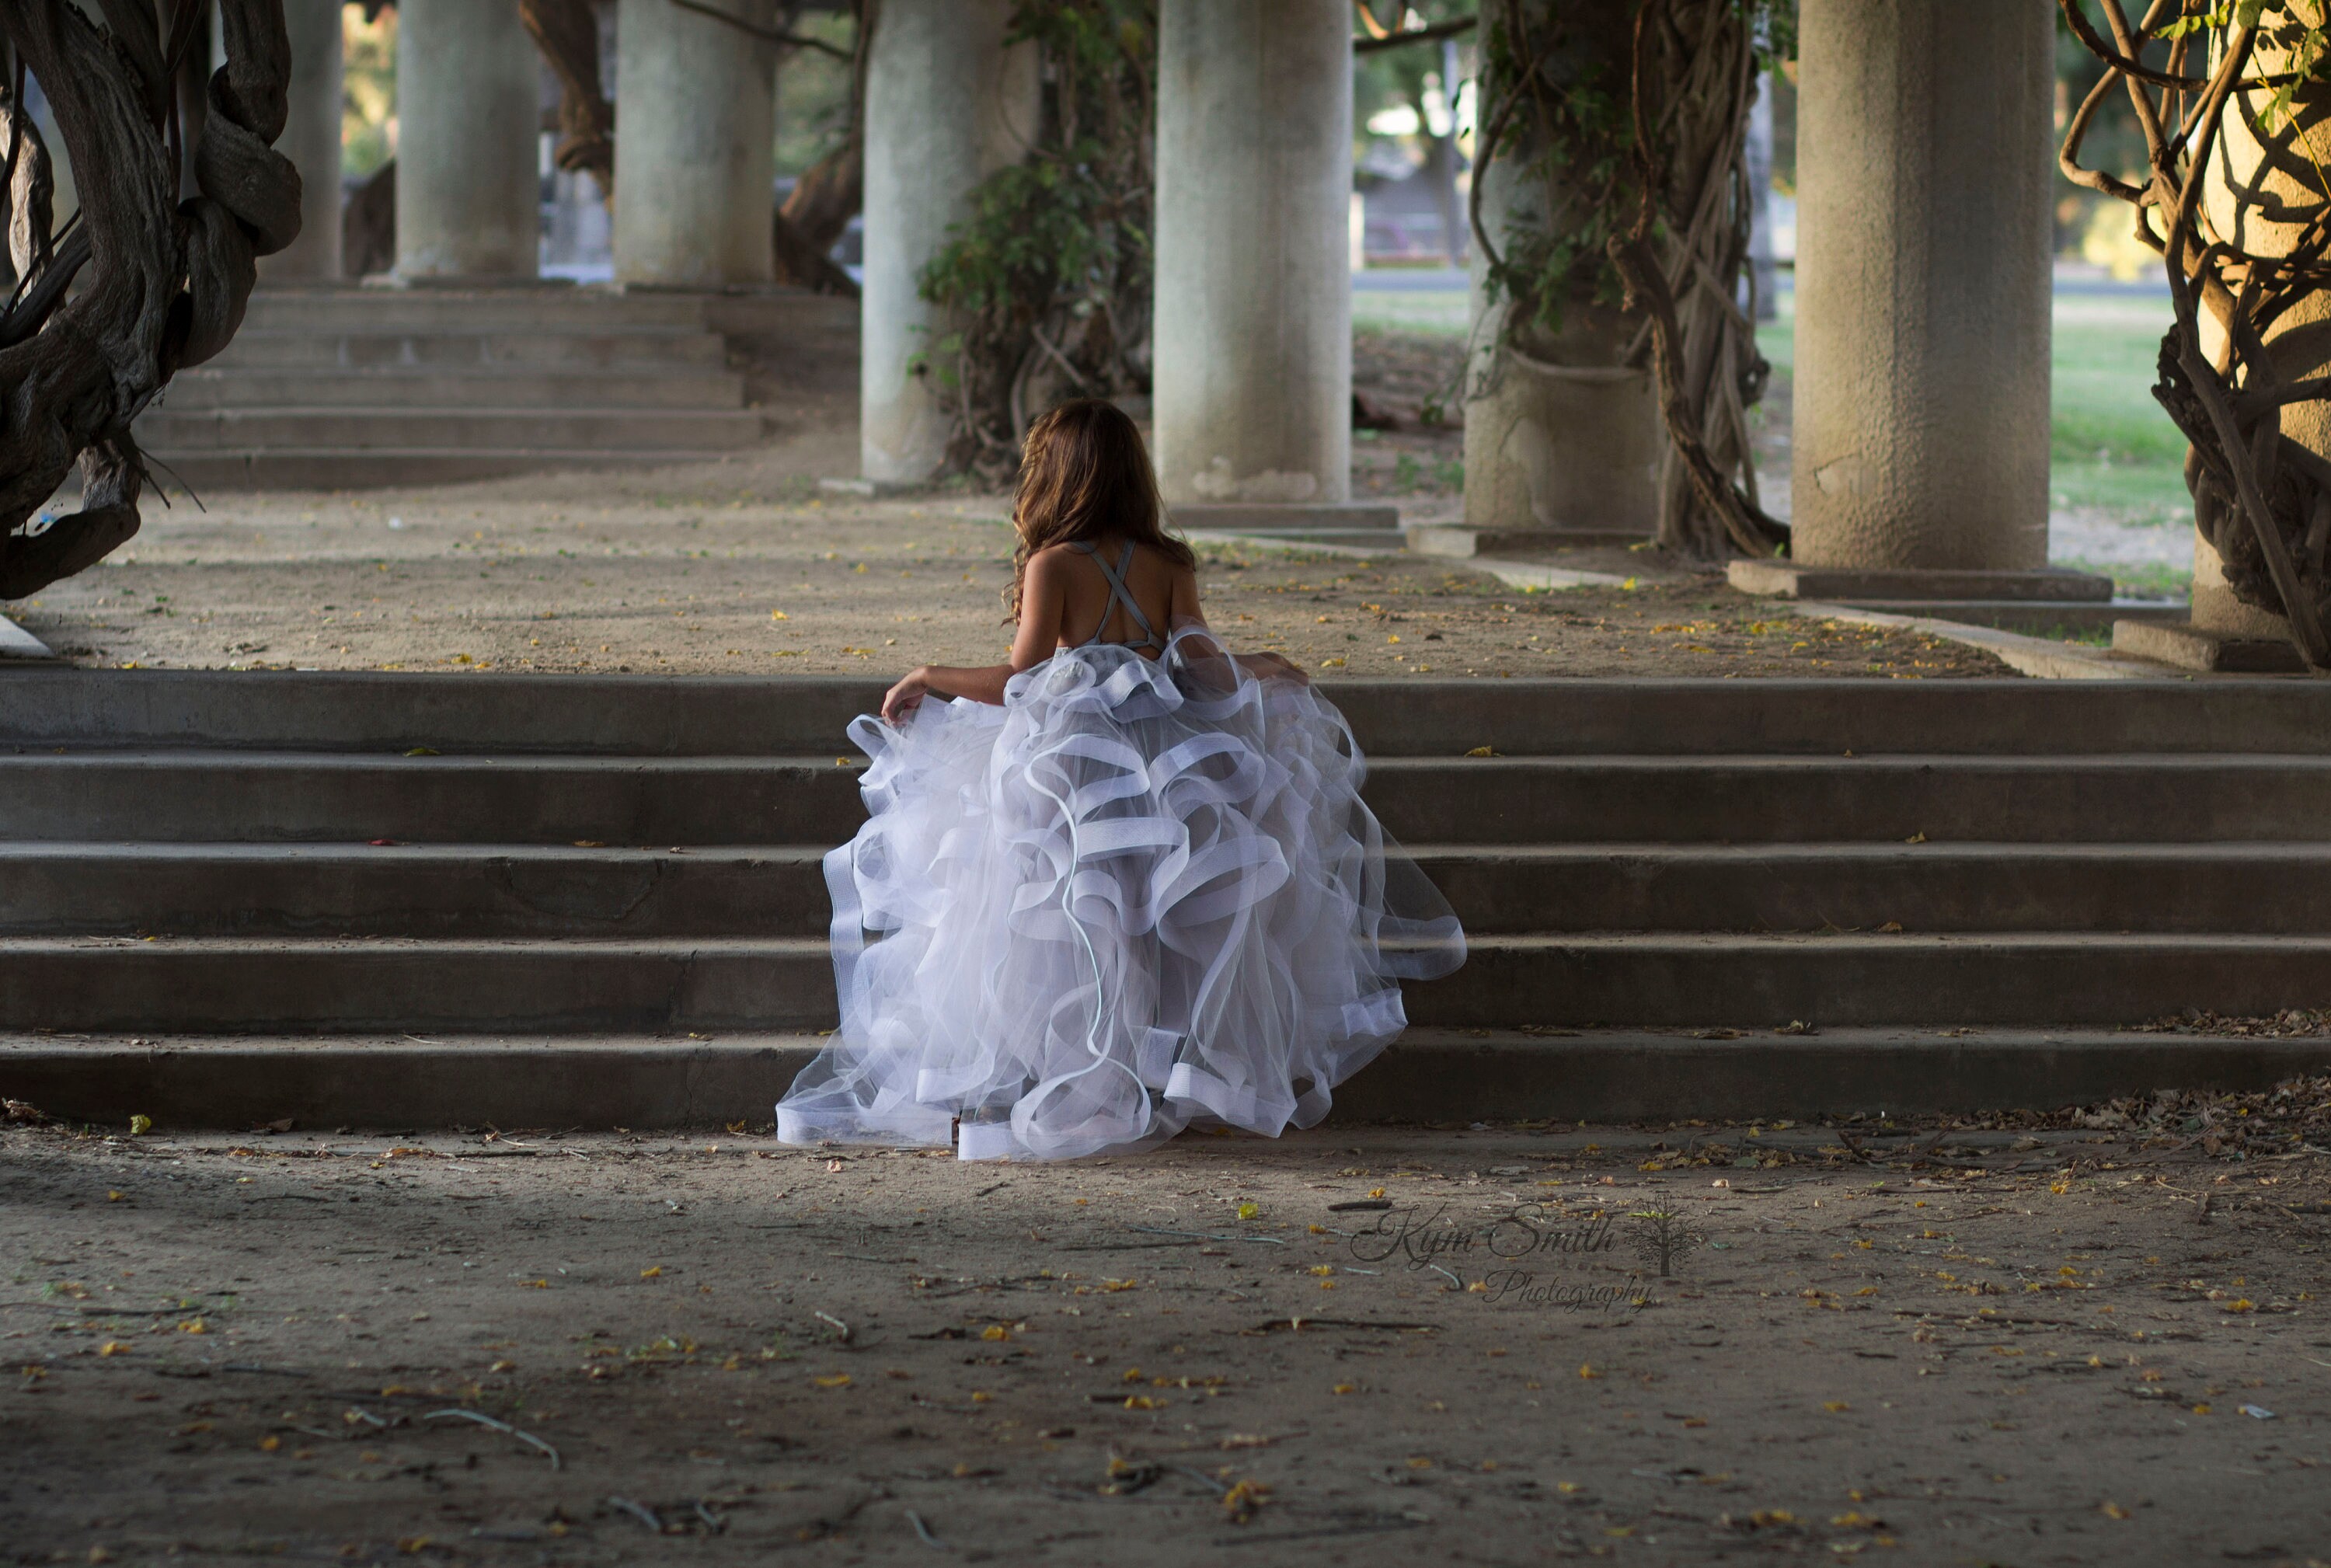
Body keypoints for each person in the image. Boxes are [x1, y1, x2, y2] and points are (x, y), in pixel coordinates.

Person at [775, 399, 1465, 1161]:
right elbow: (1201, 664)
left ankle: (1086, 1074)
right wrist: (1261, 666)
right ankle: (1159, 1075)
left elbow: (1020, 678)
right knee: (1153, 917)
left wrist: (929, 674)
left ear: (1055, 475)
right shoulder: (1169, 561)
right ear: (1133, 474)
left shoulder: (1053, 564)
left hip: (1077, 761)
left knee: (1082, 915)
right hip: (1167, 756)